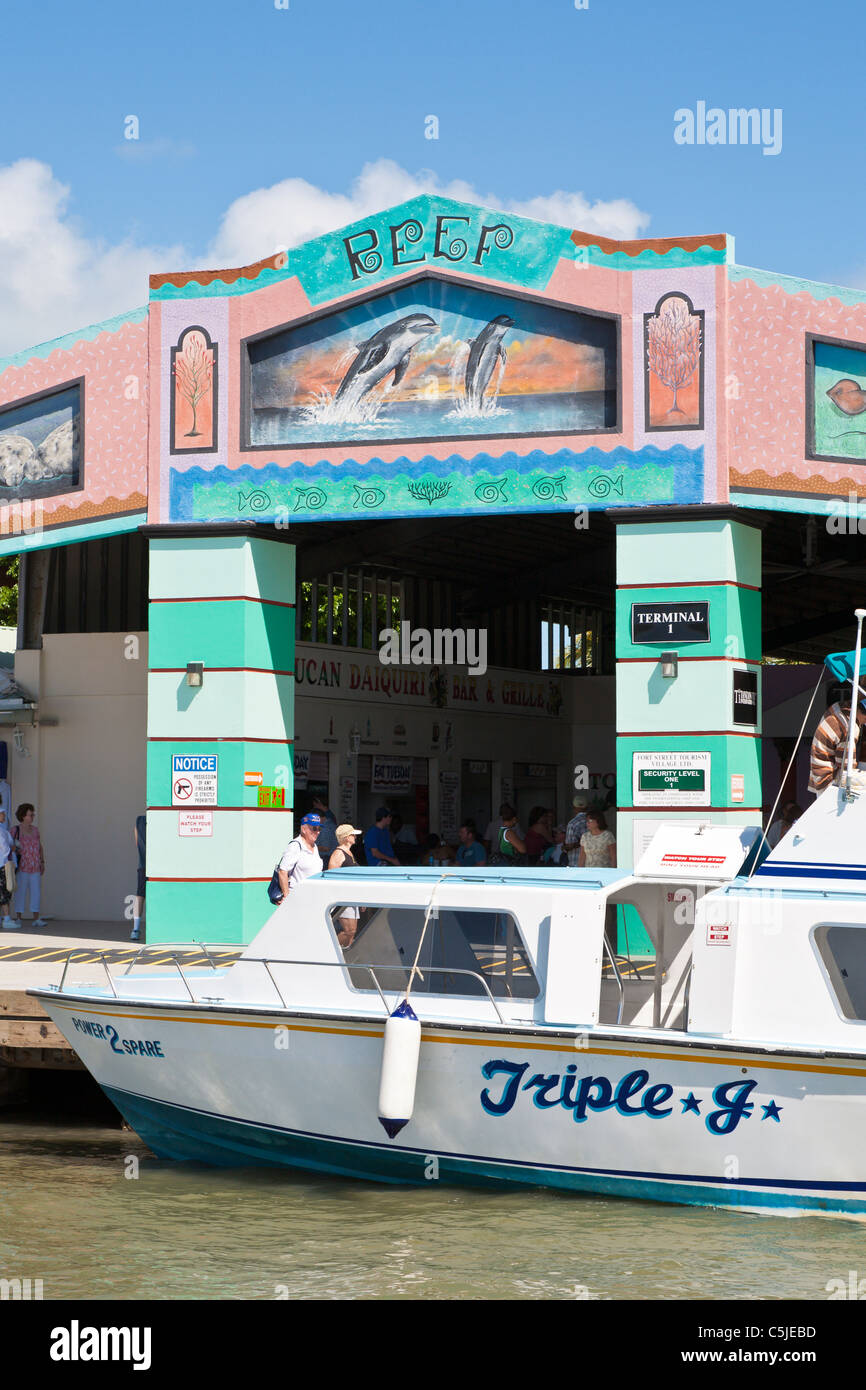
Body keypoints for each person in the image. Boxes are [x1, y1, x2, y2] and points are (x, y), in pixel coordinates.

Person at [809, 685, 866, 793]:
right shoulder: (850, 728)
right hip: (827, 779)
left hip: (817, 773)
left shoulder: (840, 706)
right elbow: (848, 770)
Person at [328, 824, 363, 948]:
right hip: (343, 898)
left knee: (352, 933)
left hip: (351, 897)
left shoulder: (349, 852)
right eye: (353, 835)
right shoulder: (338, 854)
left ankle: (343, 957)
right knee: (349, 931)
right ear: (346, 837)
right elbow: (331, 877)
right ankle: (330, 951)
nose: (355, 837)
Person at [13, 803, 47, 928]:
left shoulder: (35, 830)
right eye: (30, 814)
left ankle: (36, 918)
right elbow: (11, 847)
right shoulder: (15, 830)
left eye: (33, 814)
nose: (32, 817)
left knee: (36, 892)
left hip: (35, 866)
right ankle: (18, 918)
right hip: (22, 866)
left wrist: (42, 861)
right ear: (23, 816)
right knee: (20, 892)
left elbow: (40, 846)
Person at [277, 813, 323, 902]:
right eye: (314, 828)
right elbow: (282, 871)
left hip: (313, 896)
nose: (317, 832)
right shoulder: (295, 846)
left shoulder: (314, 846)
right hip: (299, 898)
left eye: (319, 828)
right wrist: (287, 897)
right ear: (304, 829)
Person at [0, 809, 18, 929]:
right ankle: (6, 919)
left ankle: (6, 918)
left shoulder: (3, 830)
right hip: (3, 866)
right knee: (5, 892)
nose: (4, 816)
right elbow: (6, 848)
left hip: (3, 865)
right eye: (2, 814)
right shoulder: (1, 832)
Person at [131, 813, 146, 942]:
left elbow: (137, 843)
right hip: (159, 865)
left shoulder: (139, 821)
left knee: (140, 895)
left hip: (143, 864)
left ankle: (135, 930)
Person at [311, 794, 338, 863]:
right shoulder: (330, 822)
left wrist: (309, 845)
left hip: (325, 858)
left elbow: (326, 848)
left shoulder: (325, 828)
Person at [565, 797, 588, 867]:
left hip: (576, 861)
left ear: (574, 808)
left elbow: (570, 845)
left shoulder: (572, 823)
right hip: (591, 862)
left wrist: (563, 847)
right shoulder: (594, 821)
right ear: (587, 807)